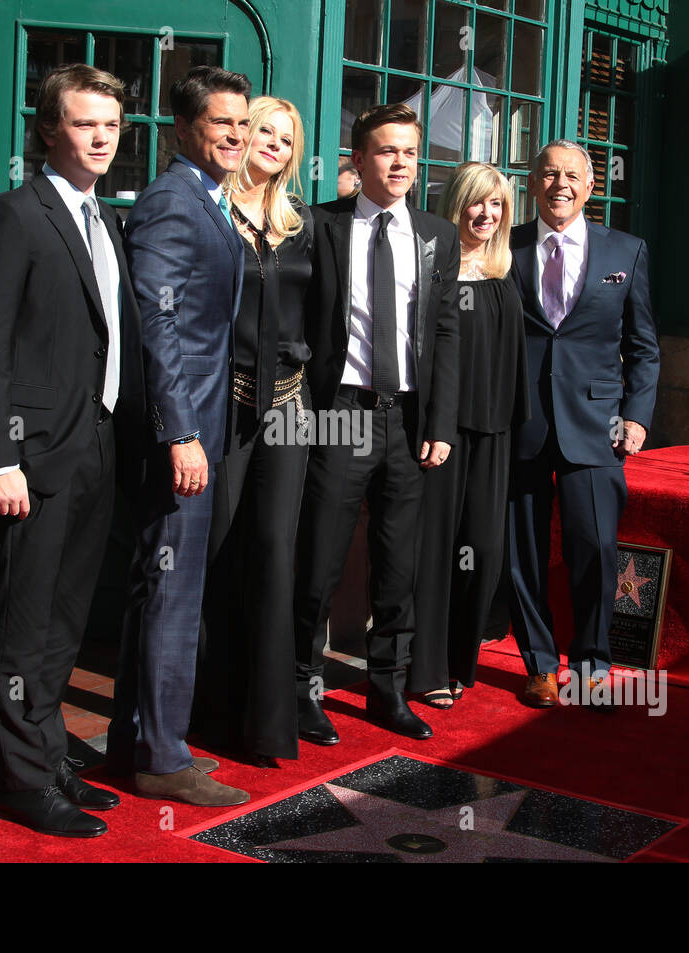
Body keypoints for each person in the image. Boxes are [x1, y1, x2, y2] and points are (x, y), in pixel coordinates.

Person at [0, 64, 144, 837]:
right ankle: (20, 778)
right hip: (32, 456)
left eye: (111, 124)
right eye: (83, 123)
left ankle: (51, 754)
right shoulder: (13, 215)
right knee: (22, 621)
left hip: (95, 446)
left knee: (66, 621)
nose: (101, 137)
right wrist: (0, 459)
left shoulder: (109, 221)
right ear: (47, 130)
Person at [105, 66, 253, 806]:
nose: (237, 135)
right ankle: (162, 757)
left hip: (193, 429)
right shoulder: (172, 200)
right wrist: (182, 432)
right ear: (184, 128)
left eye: (243, 122)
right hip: (179, 436)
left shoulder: (210, 200)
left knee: (158, 587)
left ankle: (136, 739)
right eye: (221, 123)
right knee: (171, 589)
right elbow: (154, 323)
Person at [294, 102, 460, 744]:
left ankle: (388, 689)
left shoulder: (437, 236)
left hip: (409, 420)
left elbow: (445, 335)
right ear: (358, 160)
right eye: (386, 151)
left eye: (409, 153)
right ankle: (303, 687)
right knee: (319, 562)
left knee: (399, 567)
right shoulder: (318, 226)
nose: (399, 163)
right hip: (340, 414)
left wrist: (440, 423)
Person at [507, 139, 659, 708]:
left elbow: (644, 346)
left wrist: (638, 417)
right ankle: (540, 665)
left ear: (591, 186)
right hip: (518, 421)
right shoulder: (508, 245)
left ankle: (593, 660)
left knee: (595, 546)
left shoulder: (627, 251)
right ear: (532, 183)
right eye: (548, 174)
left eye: (571, 175)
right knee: (521, 551)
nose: (559, 184)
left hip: (598, 424)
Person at [195, 97, 314, 767]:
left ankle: (267, 725)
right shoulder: (211, 216)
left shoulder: (304, 226)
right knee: (214, 553)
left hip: (291, 408)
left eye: (284, 137)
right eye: (261, 130)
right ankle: (207, 711)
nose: (271, 143)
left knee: (273, 555)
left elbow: (323, 326)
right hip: (221, 404)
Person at [407, 162, 527, 709]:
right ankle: (426, 669)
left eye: (497, 205)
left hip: (495, 432)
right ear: (457, 205)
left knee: (483, 550)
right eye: (477, 203)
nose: (487, 214)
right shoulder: (433, 264)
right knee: (434, 553)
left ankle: (461, 661)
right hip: (443, 432)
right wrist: (434, 424)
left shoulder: (507, 269)